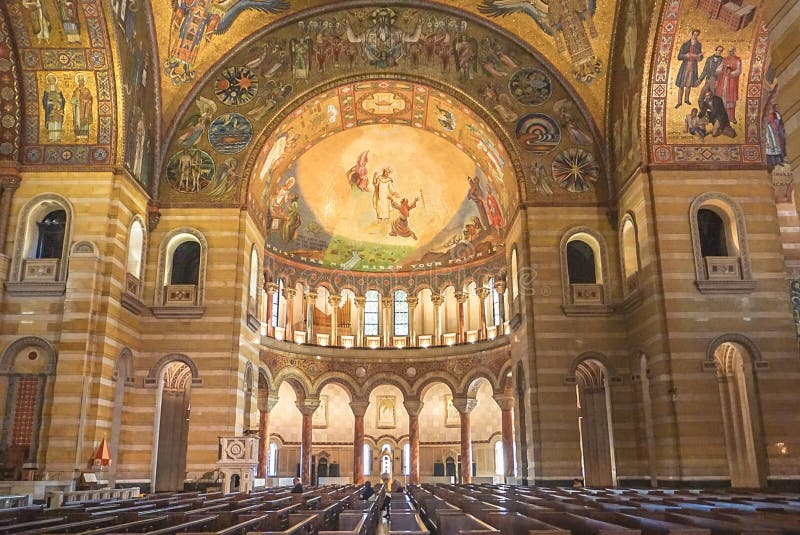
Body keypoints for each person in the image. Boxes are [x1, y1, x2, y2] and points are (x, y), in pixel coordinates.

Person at [675, 29, 703, 108]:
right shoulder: (685, 44)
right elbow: (679, 56)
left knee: (689, 84)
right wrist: (685, 55)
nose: (695, 36)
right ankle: (679, 101)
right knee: (681, 84)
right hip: (685, 66)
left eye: (697, 35)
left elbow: (700, 56)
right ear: (692, 34)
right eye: (694, 34)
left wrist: (699, 58)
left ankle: (686, 99)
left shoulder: (698, 45)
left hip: (693, 66)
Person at [714, 47, 742, 124]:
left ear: (734, 51)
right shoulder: (725, 59)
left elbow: (738, 71)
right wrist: (717, 71)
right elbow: (720, 68)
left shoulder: (737, 60)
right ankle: (722, 118)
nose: (730, 53)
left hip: (732, 82)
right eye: (729, 51)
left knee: (731, 100)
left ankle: (731, 117)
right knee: (722, 99)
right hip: (723, 82)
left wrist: (731, 74)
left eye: (731, 51)